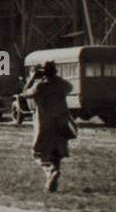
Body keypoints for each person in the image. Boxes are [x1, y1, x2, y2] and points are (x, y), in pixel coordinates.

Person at [23, 61, 76, 192]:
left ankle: (50, 171)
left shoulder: (40, 86)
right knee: (56, 153)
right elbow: (70, 87)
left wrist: (32, 78)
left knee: (38, 153)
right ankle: (52, 183)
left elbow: (24, 94)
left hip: (44, 124)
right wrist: (54, 77)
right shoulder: (63, 85)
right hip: (61, 123)